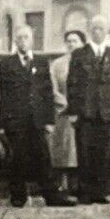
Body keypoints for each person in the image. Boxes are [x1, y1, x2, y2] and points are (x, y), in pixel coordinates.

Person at [0, 26, 75, 207]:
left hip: (37, 120)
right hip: (15, 120)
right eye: (20, 38)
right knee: (17, 159)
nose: (23, 41)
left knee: (43, 157)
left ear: (32, 40)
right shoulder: (6, 65)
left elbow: (47, 94)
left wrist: (49, 121)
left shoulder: (41, 63)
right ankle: (18, 196)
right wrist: (1, 123)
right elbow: (2, 95)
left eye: (26, 37)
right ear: (15, 41)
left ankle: (51, 195)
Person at [66, 14, 110, 204]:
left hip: (106, 113)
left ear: (107, 31)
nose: (98, 32)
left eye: (101, 28)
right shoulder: (79, 54)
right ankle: (85, 192)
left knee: (104, 154)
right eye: (94, 28)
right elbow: (71, 85)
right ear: (90, 31)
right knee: (85, 153)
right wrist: (73, 111)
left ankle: (100, 192)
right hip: (85, 112)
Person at [47, 28, 82, 195]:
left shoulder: (87, 63)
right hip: (63, 112)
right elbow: (52, 88)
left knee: (80, 148)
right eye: (69, 41)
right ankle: (61, 184)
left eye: (75, 41)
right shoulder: (58, 64)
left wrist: (80, 106)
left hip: (82, 113)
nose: (72, 44)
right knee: (63, 148)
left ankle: (78, 183)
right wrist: (65, 103)